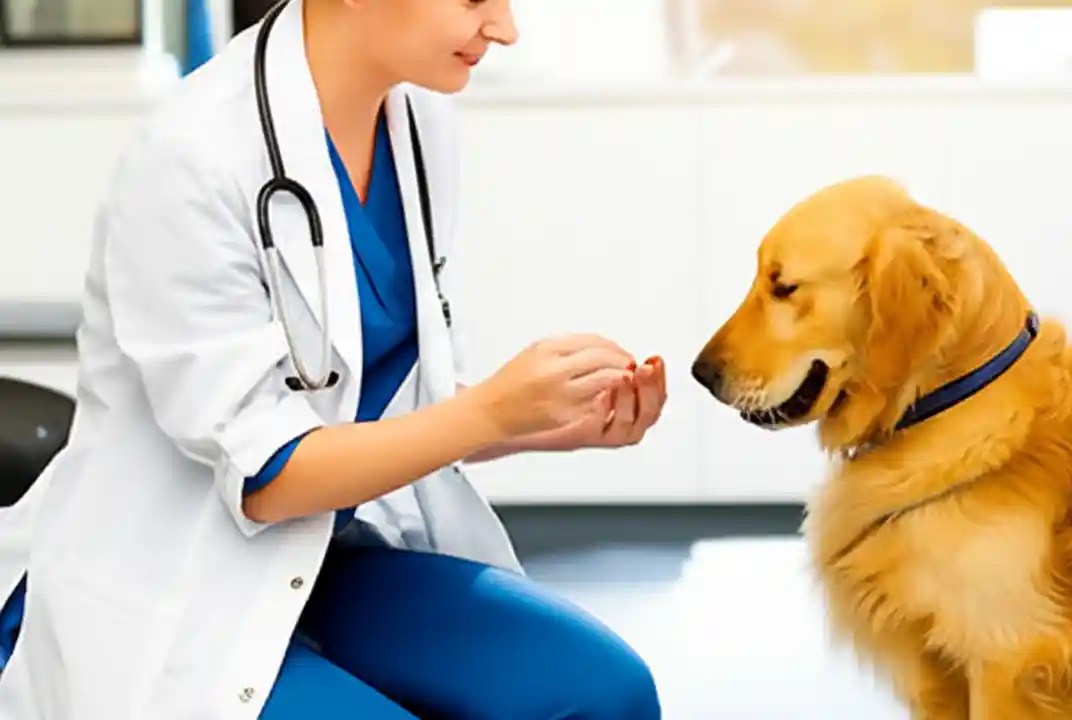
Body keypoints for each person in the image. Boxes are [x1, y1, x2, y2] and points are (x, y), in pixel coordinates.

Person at [0, 0, 667, 717]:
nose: (505, 28)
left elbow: (389, 397)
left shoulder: (417, 120)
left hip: (325, 554)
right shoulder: (190, 156)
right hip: (172, 583)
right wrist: (491, 410)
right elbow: (268, 473)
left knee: (605, 695)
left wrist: (552, 420)